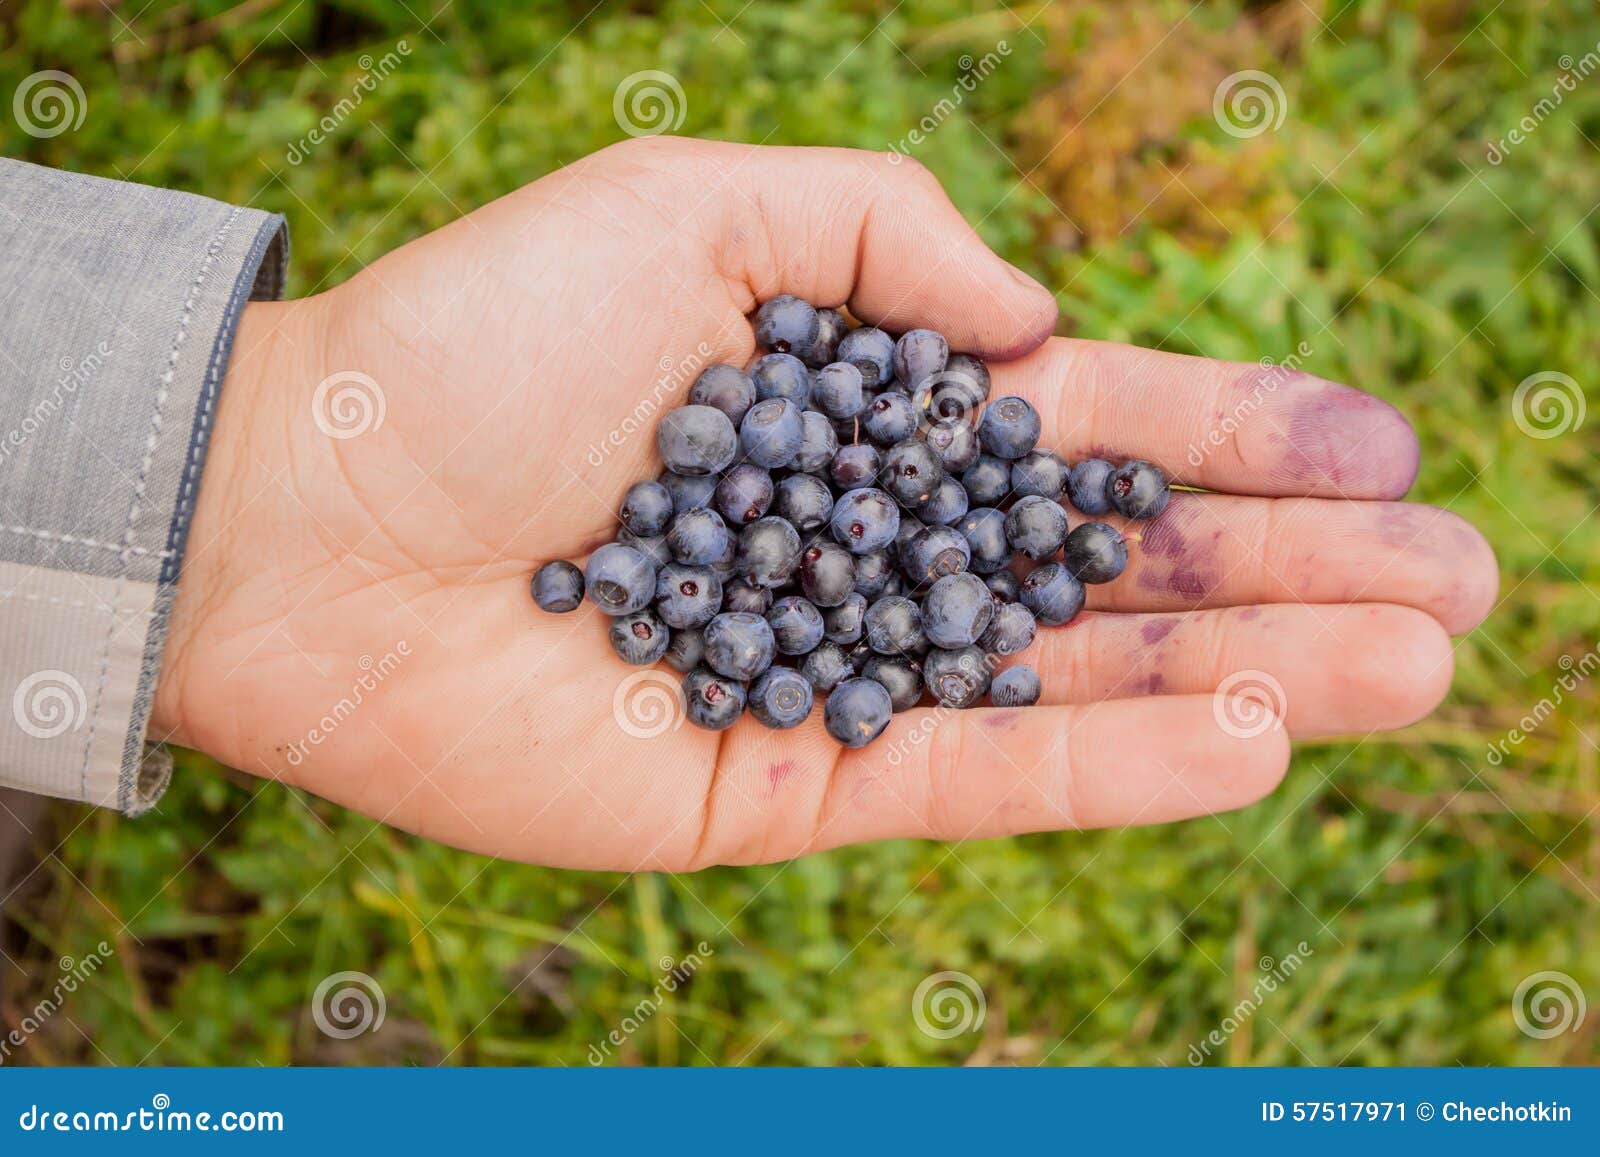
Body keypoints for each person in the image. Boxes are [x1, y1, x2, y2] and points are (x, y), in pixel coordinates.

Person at [0, 136, 1497, 871]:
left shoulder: (882, 529)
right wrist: (267, 470)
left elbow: (877, 564)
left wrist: (248, 477)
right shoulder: (754, 518)